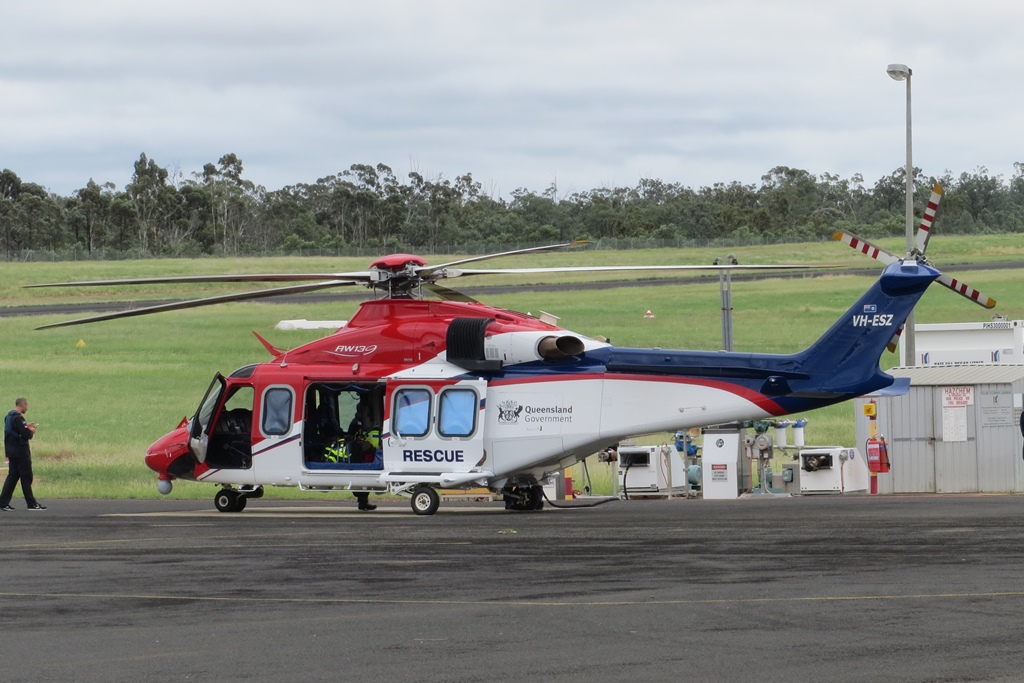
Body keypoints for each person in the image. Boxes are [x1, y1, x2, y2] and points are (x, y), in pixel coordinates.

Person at [2, 397, 45, 510]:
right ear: (23, 404)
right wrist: (31, 430)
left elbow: (10, 434)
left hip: (11, 452)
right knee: (26, 477)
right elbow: (26, 435)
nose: (27, 408)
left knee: (12, 477)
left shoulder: (8, 417)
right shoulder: (19, 418)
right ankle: (31, 503)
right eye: (26, 405)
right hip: (21, 452)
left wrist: (7, 453)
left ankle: (3, 502)